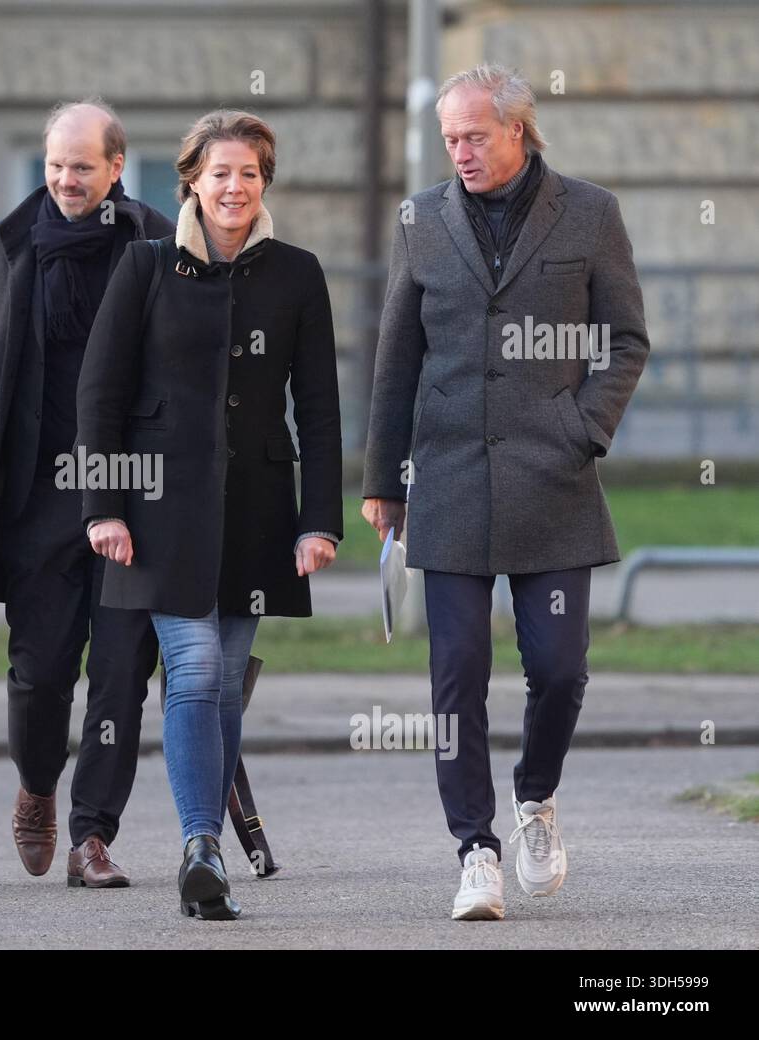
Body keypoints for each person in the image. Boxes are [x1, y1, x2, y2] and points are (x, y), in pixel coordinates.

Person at [361, 65, 649, 920]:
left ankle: (535, 801)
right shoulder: (419, 219)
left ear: (518, 130)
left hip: (553, 480)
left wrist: (582, 427)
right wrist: (383, 480)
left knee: (559, 671)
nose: (460, 152)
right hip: (445, 479)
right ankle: (475, 849)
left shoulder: (591, 214)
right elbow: (394, 360)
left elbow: (624, 340)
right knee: (457, 674)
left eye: (474, 136)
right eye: (449, 139)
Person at [77, 110, 343, 919]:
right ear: (190, 179)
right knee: (192, 668)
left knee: (225, 680)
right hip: (157, 509)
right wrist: (103, 506)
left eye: (250, 173)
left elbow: (321, 408)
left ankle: (208, 849)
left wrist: (319, 519)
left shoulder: (297, 273)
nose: (235, 187)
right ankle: (203, 846)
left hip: (259, 509)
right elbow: (101, 393)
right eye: (220, 172)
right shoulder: (146, 267)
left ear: (266, 182)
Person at [0, 99, 175, 888]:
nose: (67, 180)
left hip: (134, 497)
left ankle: (91, 836)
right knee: (40, 672)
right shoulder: (5, 243)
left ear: (116, 166)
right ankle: (37, 786)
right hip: (38, 496)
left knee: (119, 672)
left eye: (83, 166)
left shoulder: (156, 240)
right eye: (55, 165)